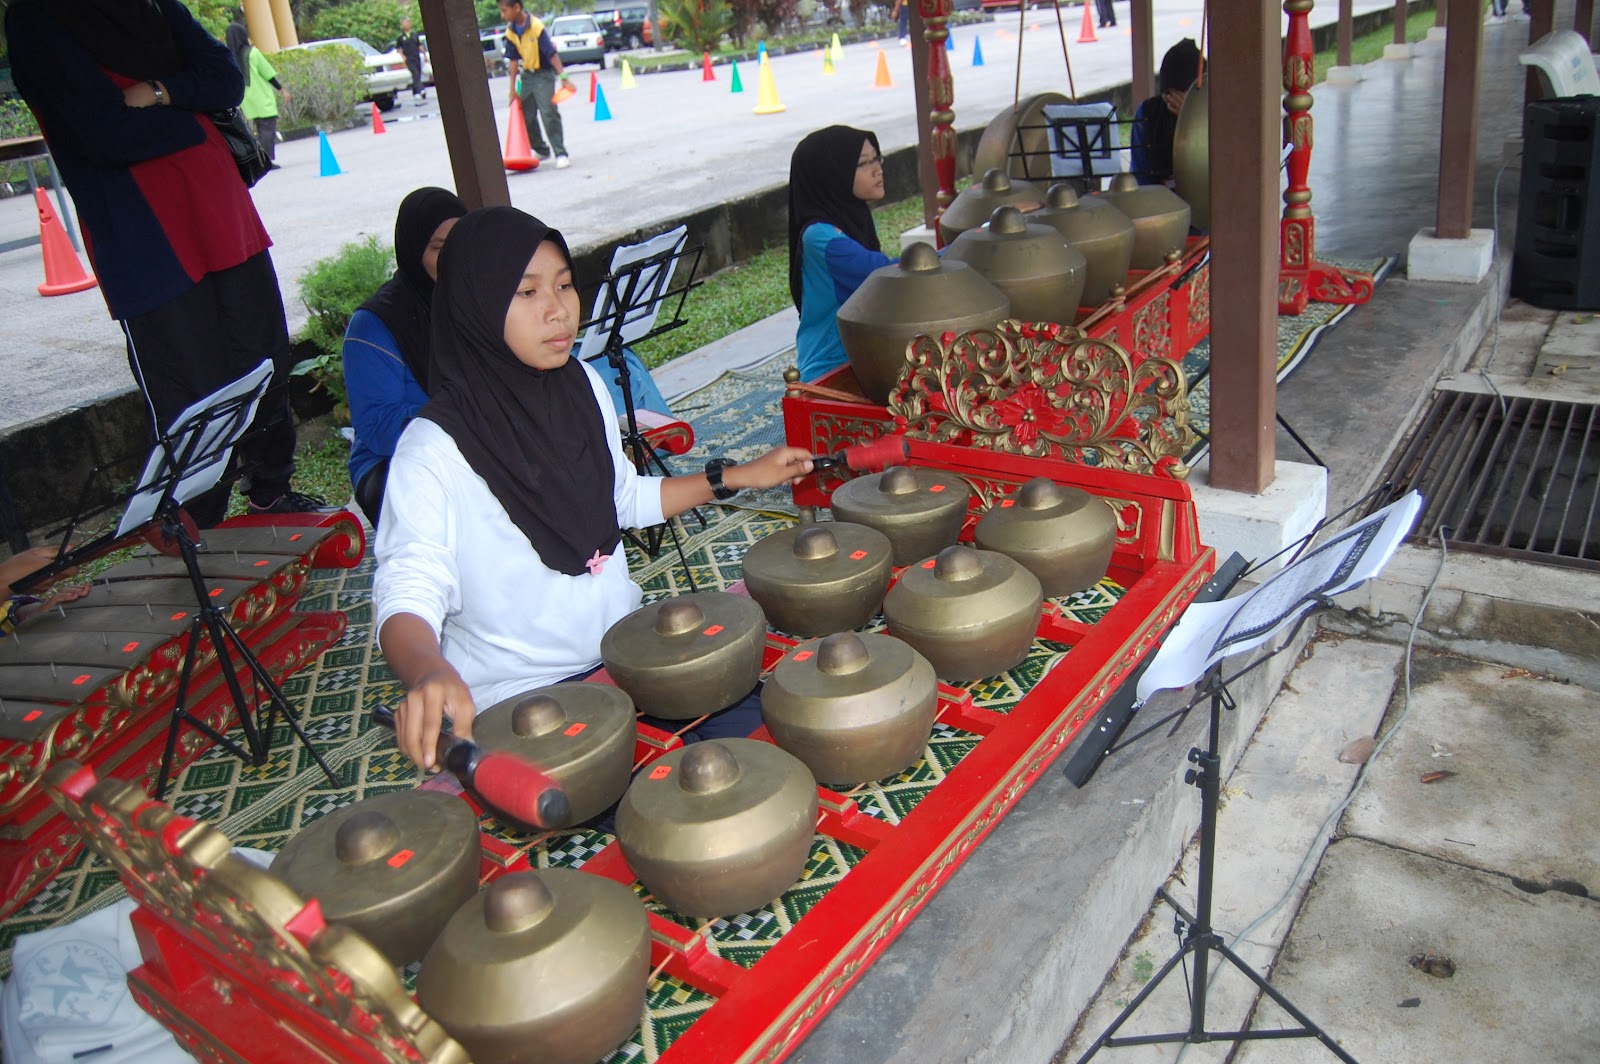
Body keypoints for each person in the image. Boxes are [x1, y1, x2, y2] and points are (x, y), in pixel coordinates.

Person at [374, 207, 813, 770]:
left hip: (626, 655)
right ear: (475, 306)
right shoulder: (431, 449)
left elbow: (623, 498)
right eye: (527, 293)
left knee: (775, 729)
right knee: (674, 806)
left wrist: (737, 476)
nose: (558, 311)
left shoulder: (580, 383)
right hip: (525, 698)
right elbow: (406, 592)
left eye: (563, 285)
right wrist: (428, 672)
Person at [6, 0, 325, 526]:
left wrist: (159, 94)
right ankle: (199, 524)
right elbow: (104, 132)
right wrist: (192, 115)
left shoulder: (152, 7)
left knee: (263, 355)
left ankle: (272, 489)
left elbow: (225, 79)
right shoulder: (38, 19)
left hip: (224, 216)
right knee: (189, 387)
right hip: (145, 238)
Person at [342, 187, 468, 530]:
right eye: (441, 248)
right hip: (395, 462)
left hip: (478, 444)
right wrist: (467, 418)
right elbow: (378, 426)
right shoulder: (375, 324)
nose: (455, 258)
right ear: (414, 250)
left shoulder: (476, 301)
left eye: (462, 243)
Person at [788, 125, 894, 383]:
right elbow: (887, 275)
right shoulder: (821, 238)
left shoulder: (854, 217)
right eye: (862, 164)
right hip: (832, 369)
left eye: (876, 158)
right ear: (832, 174)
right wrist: (961, 249)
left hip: (863, 354)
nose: (877, 169)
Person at [499, 0, 572, 169]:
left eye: (505, 11)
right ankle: (540, 149)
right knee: (526, 113)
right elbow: (513, 60)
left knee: (548, 111)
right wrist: (512, 89)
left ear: (516, 7)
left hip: (544, 74)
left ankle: (560, 153)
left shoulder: (536, 27)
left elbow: (551, 53)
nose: (503, 15)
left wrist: (563, 75)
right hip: (528, 76)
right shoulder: (510, 31)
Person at [1130, 38, 1201, 187]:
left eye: (1179, 93)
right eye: (1167, 93)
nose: (1171, 100)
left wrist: (1190, 117)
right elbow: (1139, 173)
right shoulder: (1147, 113)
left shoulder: (1209, 112)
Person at [227, 20, 288, 168]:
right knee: (267, 130)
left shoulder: (230, 56)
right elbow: (268, 74)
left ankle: (258, 160)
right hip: (261, 98)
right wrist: (282, 89)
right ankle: (265, 161)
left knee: (259, 131)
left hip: (246, 100)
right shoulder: (252, 53)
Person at [395, 16, 426, 102]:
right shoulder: (401, 37)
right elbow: (398, 48)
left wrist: (425, 55)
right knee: (415, 73)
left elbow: (419, 45)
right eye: (404, 23)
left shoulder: (415, 35)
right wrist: (403, 56)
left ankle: (415, 92)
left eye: (407, 23)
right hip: (409, 58)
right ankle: (421, 90)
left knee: (418, 74)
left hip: (416, 57)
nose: (406, 25)